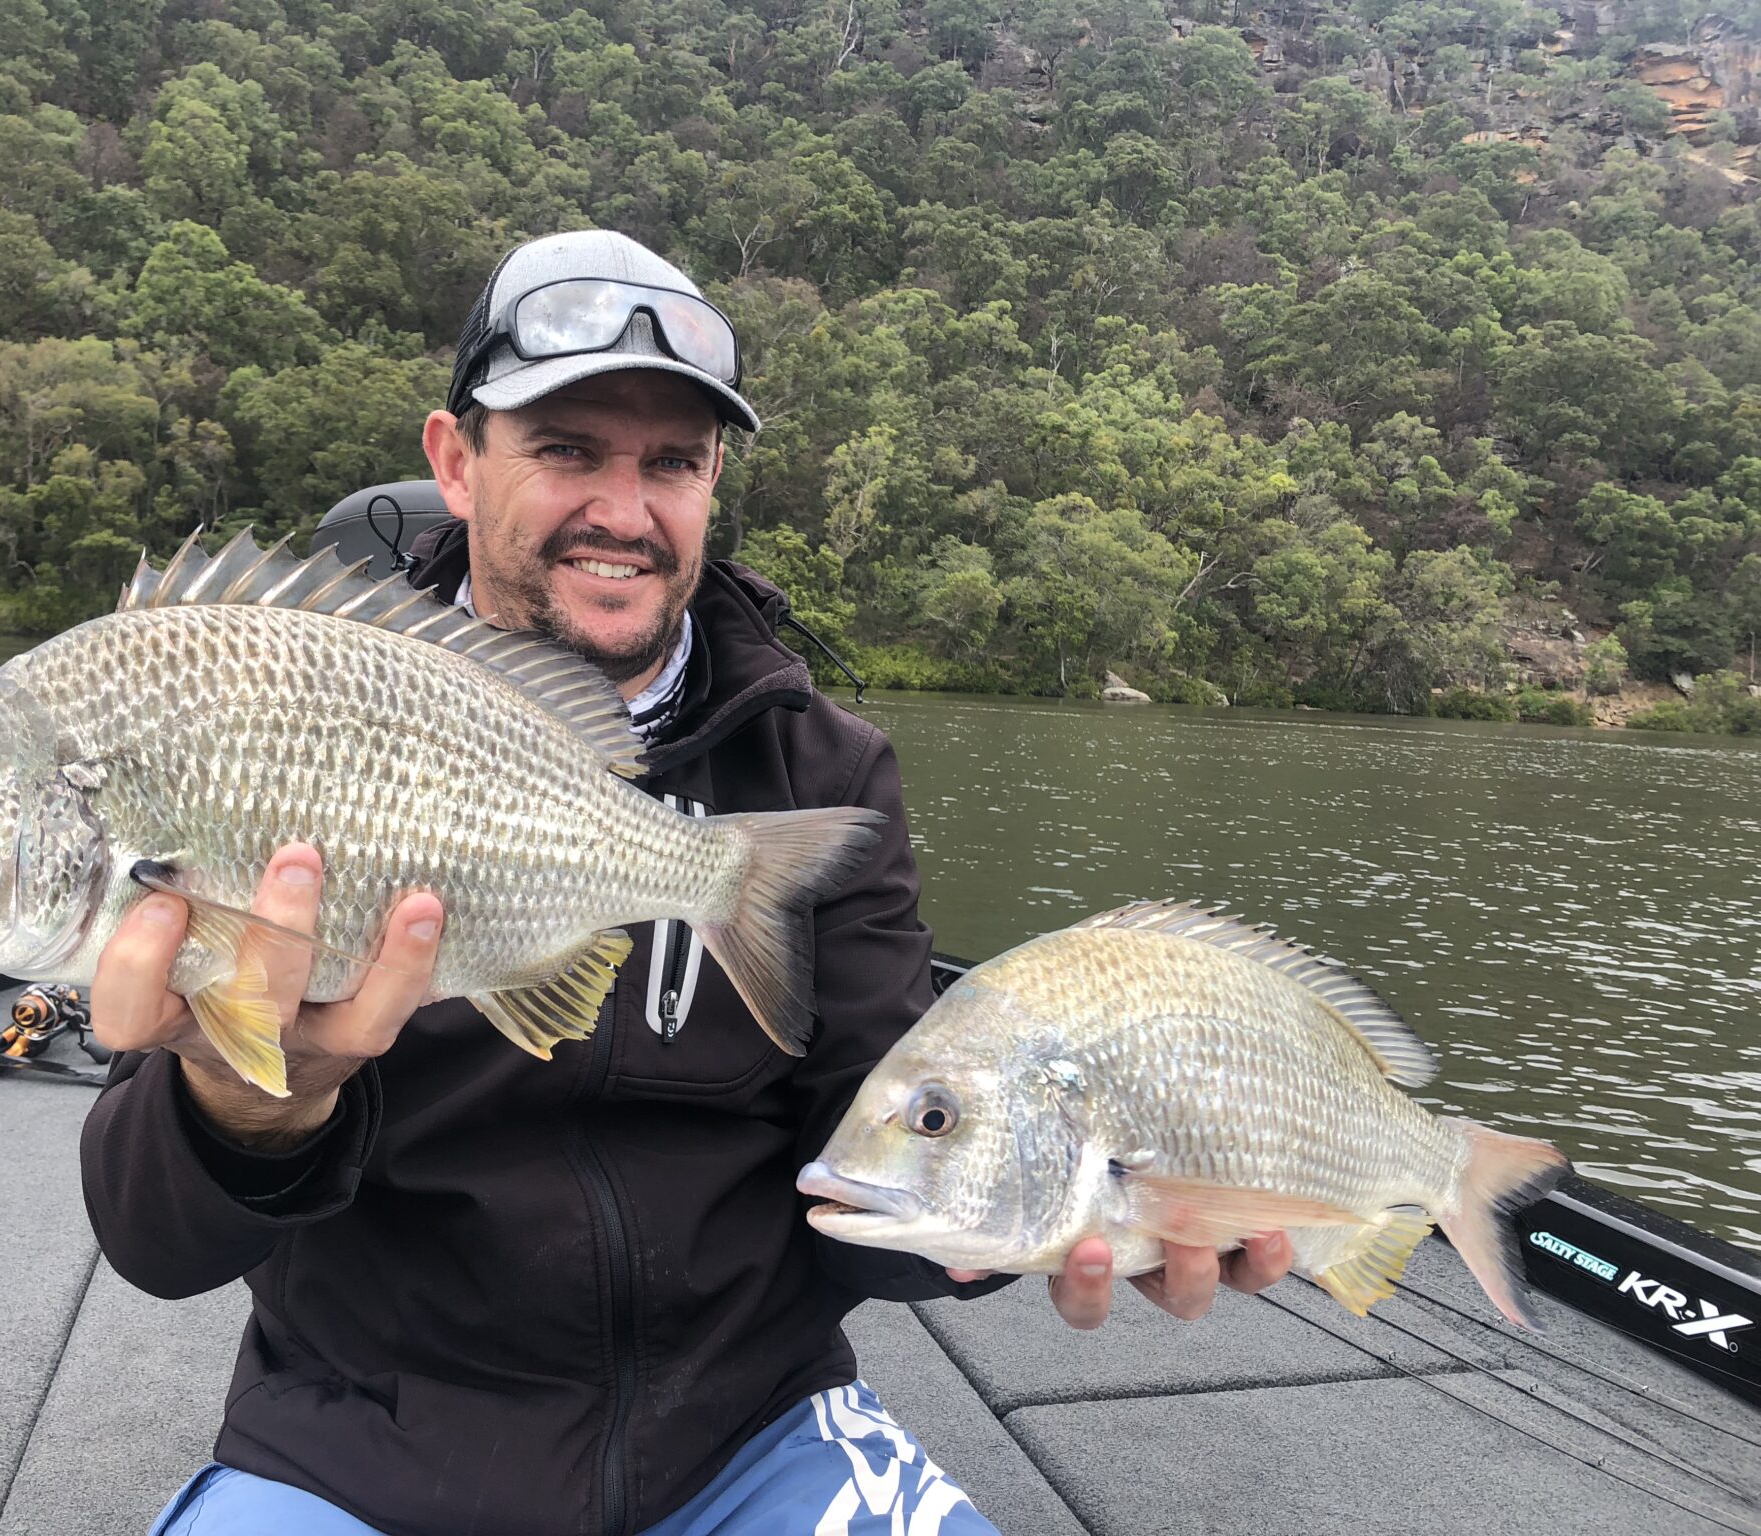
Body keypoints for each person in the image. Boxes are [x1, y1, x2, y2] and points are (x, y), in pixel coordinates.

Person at [80, 230, 1294, 1536]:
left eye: (672, 462)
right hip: (357, 1446)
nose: (624, 510)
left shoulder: (823, 773)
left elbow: (867, 1176)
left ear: (713, 483)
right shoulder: (281, 720)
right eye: (567, 450)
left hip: (750, 1436)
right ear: (455, 461)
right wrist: (252, 1102)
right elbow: (158, 1245)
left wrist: (1053, 1214)